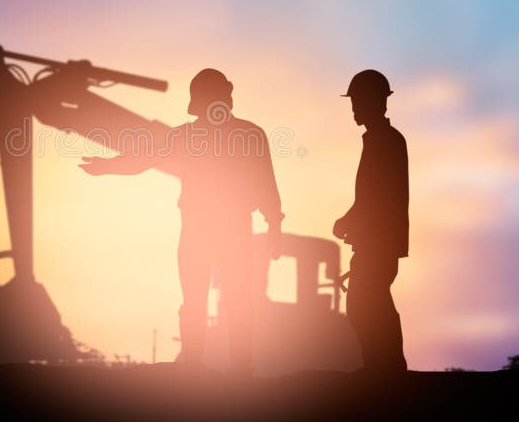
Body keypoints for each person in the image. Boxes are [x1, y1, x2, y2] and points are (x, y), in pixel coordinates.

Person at [80, 68, 285, 374]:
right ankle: (227, 370)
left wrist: (108, 166)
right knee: (224, 301)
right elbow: (266, 186)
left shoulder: (196, 136)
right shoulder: (247, 134)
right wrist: (274, 226)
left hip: (203, 230)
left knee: (210, 301)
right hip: (223, 231)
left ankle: (207, 369)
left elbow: (143, 158)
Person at [333, 69, 408, 374]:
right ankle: (383, 368)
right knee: (369, 305)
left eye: (358, 102)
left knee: (368, 306)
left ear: (376, 102)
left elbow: (382, 198)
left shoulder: (386, 142)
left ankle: (387, 369)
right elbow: (370, 197)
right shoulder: (380, 140)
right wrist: (350, 221)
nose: (354, 109)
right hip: (376, 242)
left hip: (379, 243)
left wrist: (353, 223)